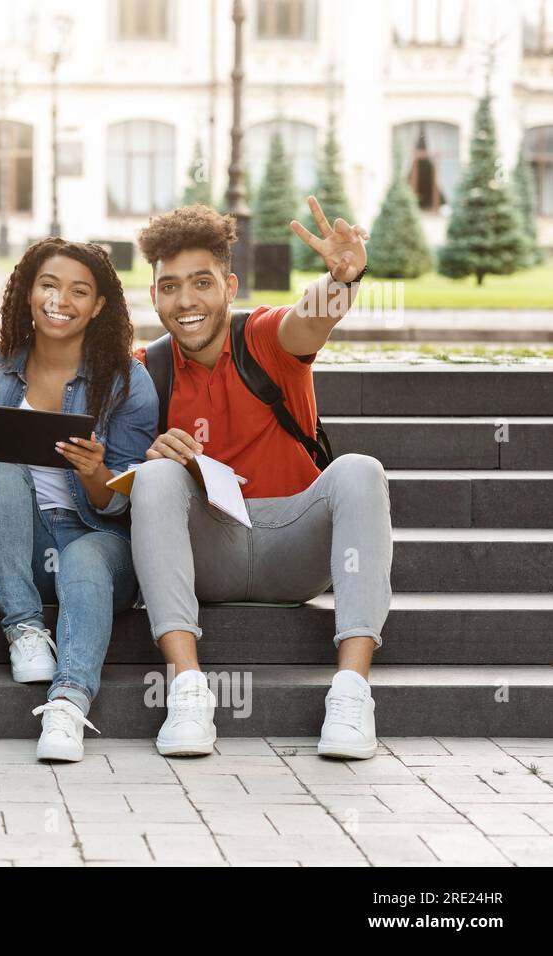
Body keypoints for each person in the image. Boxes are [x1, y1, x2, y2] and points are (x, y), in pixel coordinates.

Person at [130, 200, 389, 760]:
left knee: (360, 471)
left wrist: (342, 279)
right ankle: (188, 691)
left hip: (294, 545)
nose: (186, 301)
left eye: (202, 282)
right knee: (153, 476)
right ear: (154, 297)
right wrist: (154, 455)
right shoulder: (146, 369)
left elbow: (310, 318)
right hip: (211, 554)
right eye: (170, 287)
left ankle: (350, 695)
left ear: (229, 285)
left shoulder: (265, 337)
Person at [0, 239, 158, 762]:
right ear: (29, 292)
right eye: (49, 285)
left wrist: (97, 472)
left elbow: (125, 500)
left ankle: (69, 704)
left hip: (98, 541)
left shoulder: (126, 380)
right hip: (21, 546)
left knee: (85, 554)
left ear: (98, 306)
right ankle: (24, 628)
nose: (60, 300)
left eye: (79, 291)